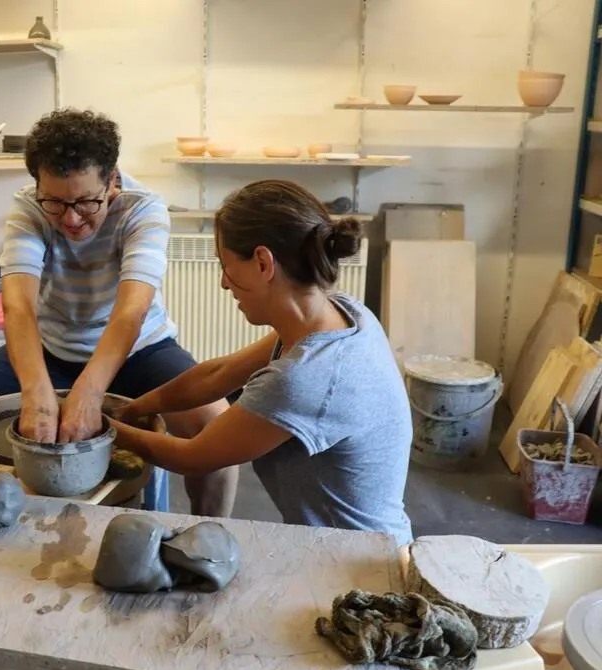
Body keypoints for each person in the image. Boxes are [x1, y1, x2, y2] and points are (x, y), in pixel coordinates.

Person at [0, 108, 239, 517]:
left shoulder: (145, 210)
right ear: (38, 186)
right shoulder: (29, 207)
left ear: (114, 181)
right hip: (54, 350)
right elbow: (17, 306)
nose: (71, 219)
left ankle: (209, 537)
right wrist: (36, 392)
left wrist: (89, 395)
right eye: (55, 202)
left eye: (87, 201)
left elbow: (131, 312)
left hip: (139, 350)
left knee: (216, 427)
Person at [113, 179, 414, 546]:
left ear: (262, 262)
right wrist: (136, 408)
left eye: (226, 266)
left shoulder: (306, 377)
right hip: (353, 541)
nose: (225, 284)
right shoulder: (341, 311)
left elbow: (194, 456)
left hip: (357, 560)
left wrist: (102, 428)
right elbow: (219, 373)